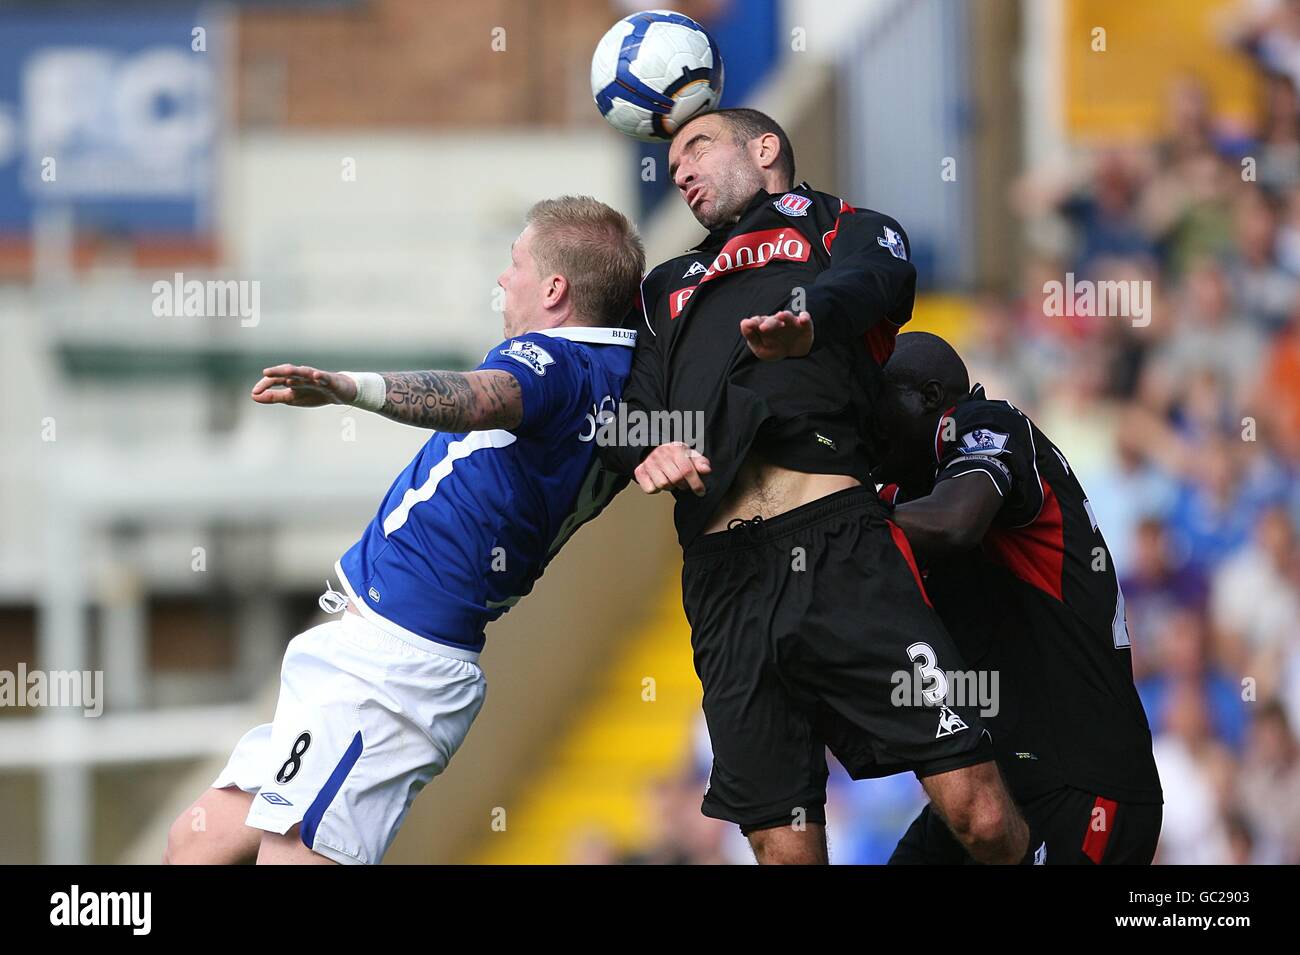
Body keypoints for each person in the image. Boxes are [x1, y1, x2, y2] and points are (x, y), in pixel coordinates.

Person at [601, 108, 1035, 864]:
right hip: (723, 585)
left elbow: (879, 280)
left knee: (982, 817)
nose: (681, 172)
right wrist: (649, 446)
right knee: (784, 849)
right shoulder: (662, 287)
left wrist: (808, 320)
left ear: (764, 147)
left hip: (842, 547)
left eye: (697, 149)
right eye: (670, 168)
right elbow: (623, 414)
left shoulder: (840, 226)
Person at [164, 196, 644, 864]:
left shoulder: (556, 364)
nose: (504, 280)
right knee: (198, 839)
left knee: (288, 857)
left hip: (395, 668)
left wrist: (348, 389)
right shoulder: (628, 377)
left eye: (516, 264)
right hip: (362, 640)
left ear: (556, 289)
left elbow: (481, 398)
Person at [872, 331, 1163, 864]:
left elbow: (954, 523)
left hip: (1083, 780)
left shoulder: (986, 424)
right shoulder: (903, 489)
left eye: (876, 400)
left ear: (931, 399)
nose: (863, 421)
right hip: (1000, 781)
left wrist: (836, 521)